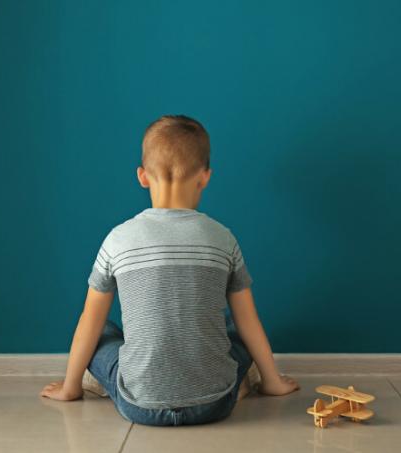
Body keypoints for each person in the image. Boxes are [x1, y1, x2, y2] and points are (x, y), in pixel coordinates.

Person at [40, 114, 299, 426]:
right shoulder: (223, 238)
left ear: (142, 176)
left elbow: (89, 322)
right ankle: (247, 379)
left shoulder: (117, 239)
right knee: (235, 325)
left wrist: (69, 389)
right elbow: (249, 320)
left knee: (101, 329)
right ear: (205, 177)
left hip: (140, 406)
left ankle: (104, 382)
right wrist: (273, 383)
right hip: (215, 404)